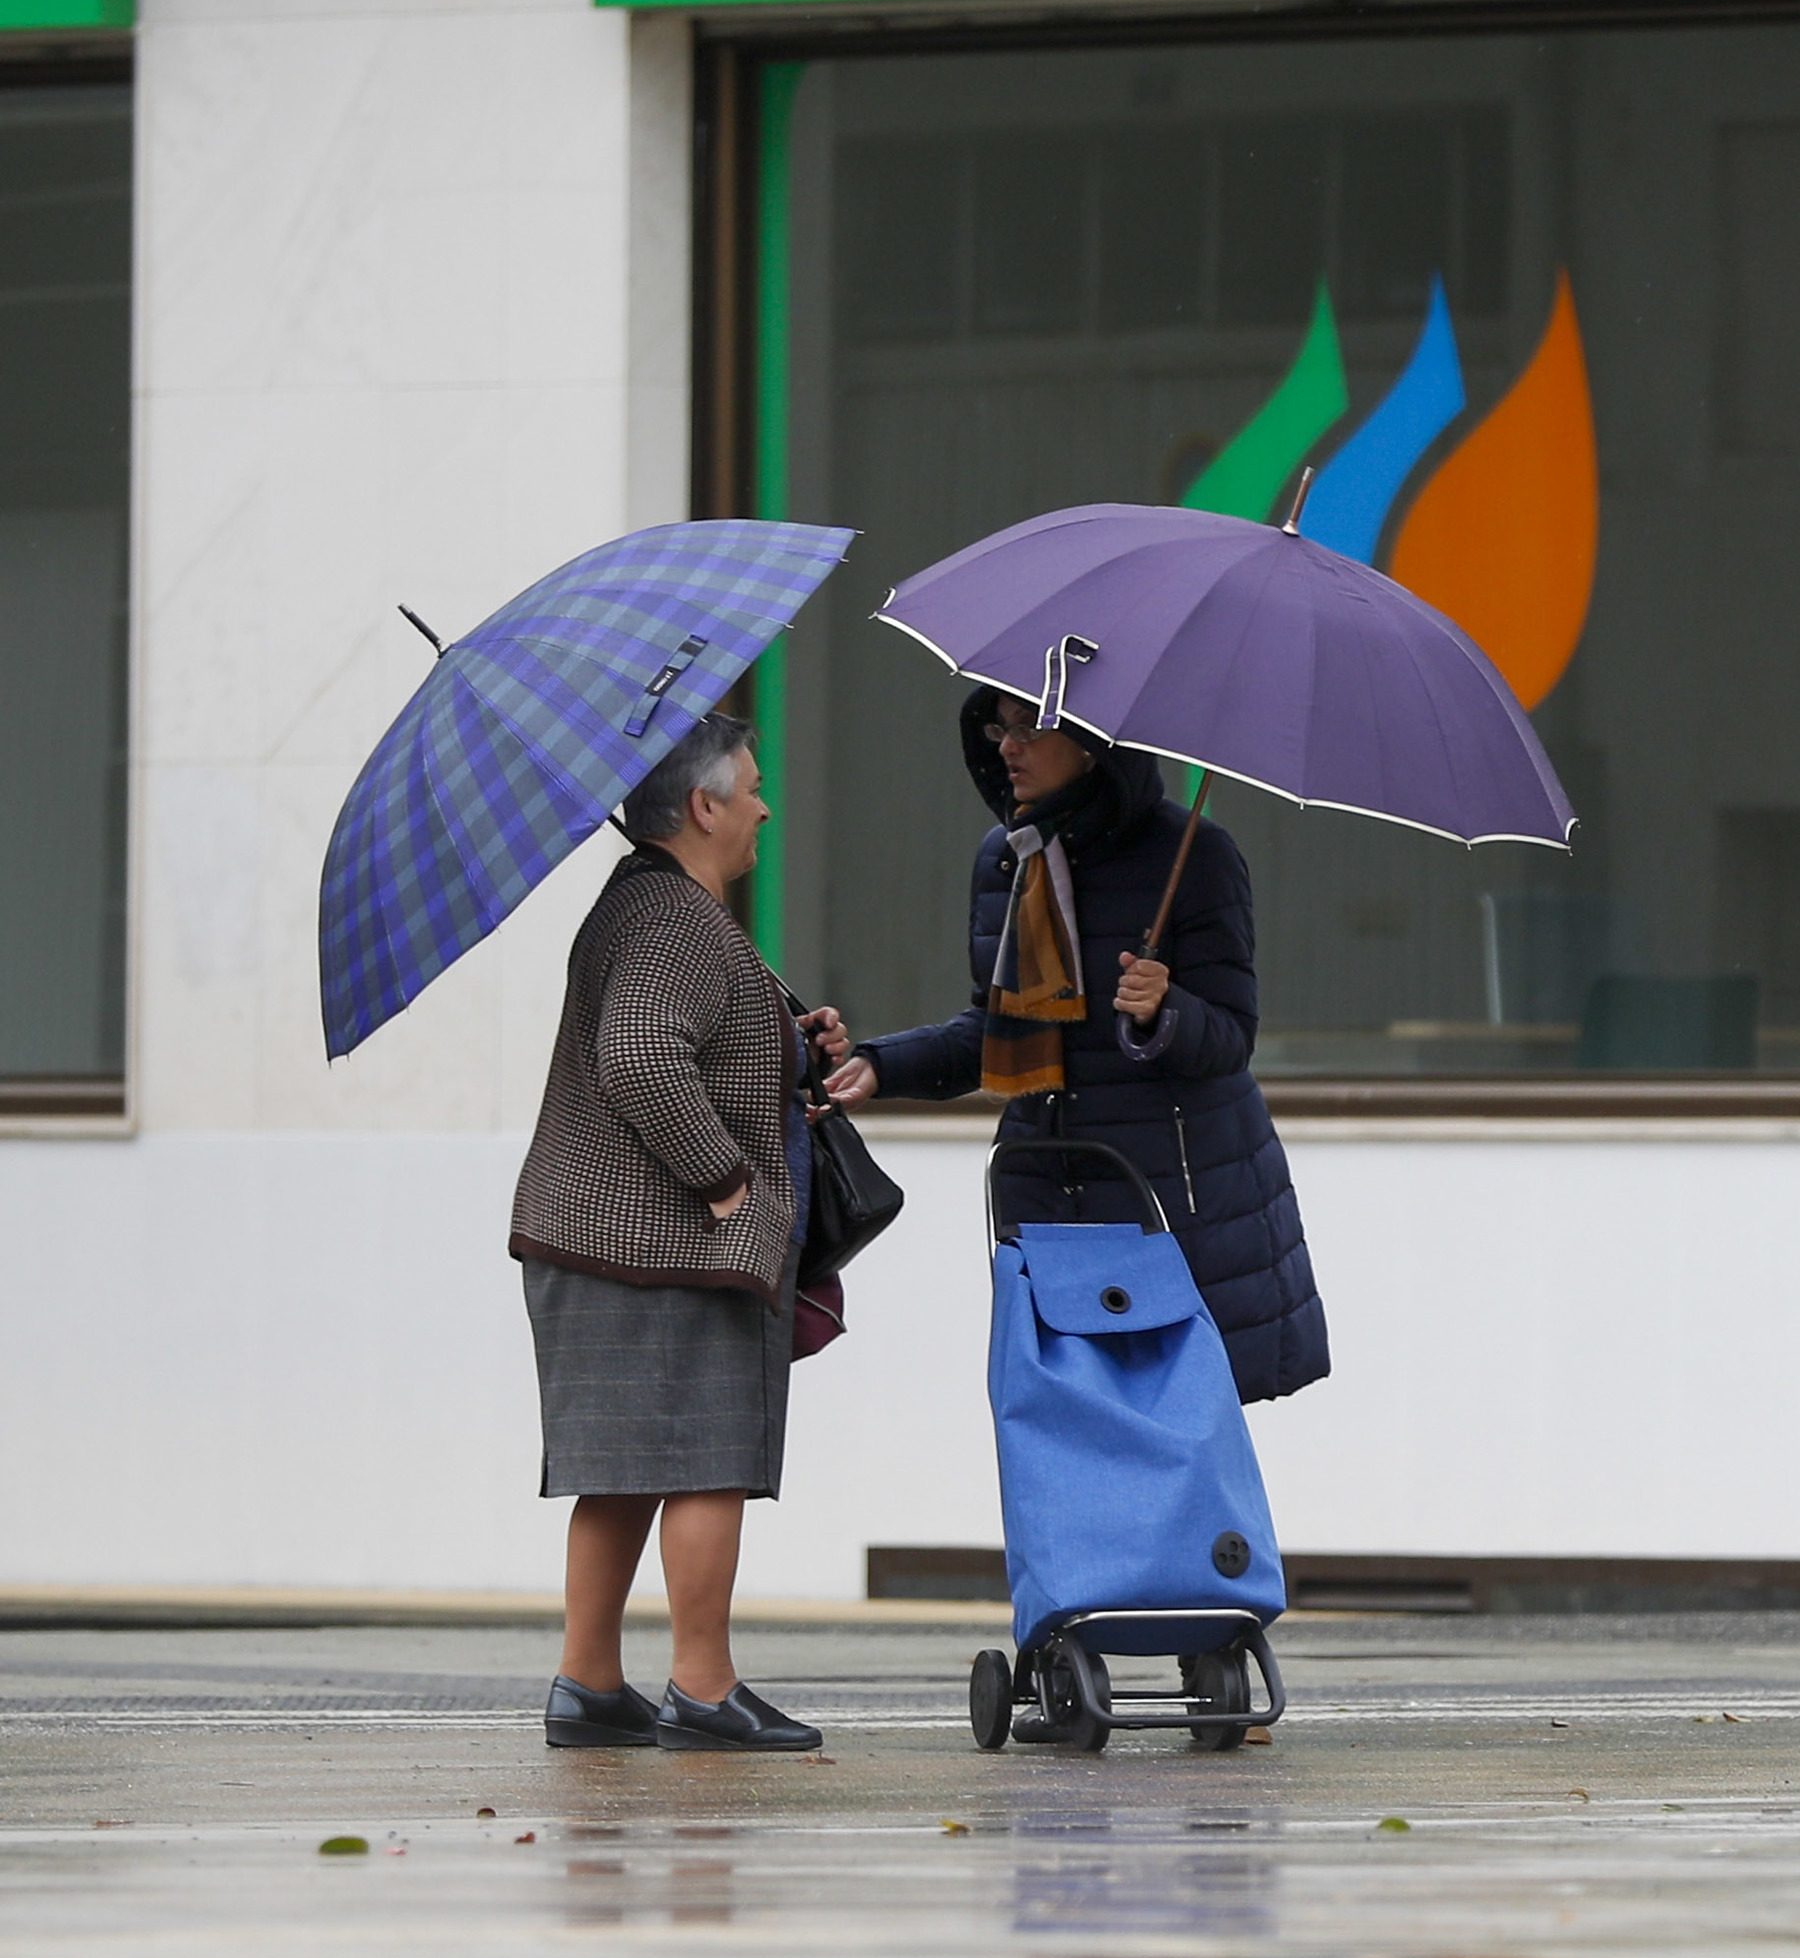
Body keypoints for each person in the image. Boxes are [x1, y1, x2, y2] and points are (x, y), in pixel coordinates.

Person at [825, 688, 1328, 1403]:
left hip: (1178, 1203)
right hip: (1055, 1196)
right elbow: (995, 1031)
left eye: (1030, 727)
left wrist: (1166, 1009)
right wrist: (877, 1065)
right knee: (1074, 1444)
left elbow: (1230, 1040)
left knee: (1179, 1440)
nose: (1007, 746)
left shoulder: (1195, 856)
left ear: (1092, 741)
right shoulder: (1009, 859)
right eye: (999, 727)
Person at [508, 713, 848, 1752]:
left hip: (593, 1238)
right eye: (749, 785)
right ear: (700, 806)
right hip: (666, 1250)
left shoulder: (642, 905)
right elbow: (644, 1058)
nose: (764, 804)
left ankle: (590, 1680)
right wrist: (729, 1186)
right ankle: (702, 1684)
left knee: (616, 1466)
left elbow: (678, 1040)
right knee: (709, 1458)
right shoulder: (675, 921)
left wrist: (785, 1041)